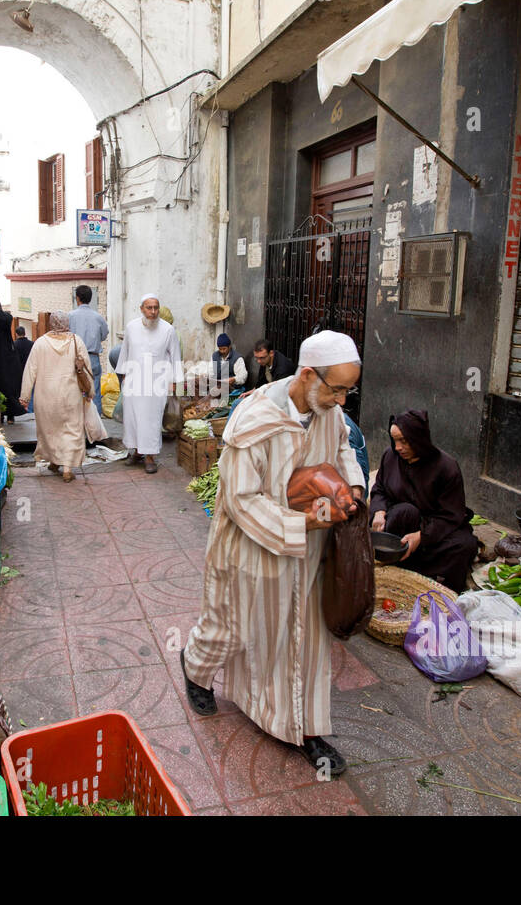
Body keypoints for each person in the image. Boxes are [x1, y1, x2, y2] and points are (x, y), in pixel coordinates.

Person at [182, 330, 365, 777]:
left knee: (303, 637)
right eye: (336, 388)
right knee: (232, 626)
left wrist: (354, 486)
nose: (341, 401)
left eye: (348, 390)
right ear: (307, 375)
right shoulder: (254, 419)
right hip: (250, 544)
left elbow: (343, 449)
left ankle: (304, 728)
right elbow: (243, 500)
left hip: (308, 549)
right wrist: (301, 522)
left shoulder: (329, 412)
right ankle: (195, 668)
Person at [368, 410, 477, 591]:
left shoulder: (446, 467)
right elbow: (379, 489)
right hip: (401, 526)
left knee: (464, 545)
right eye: (394, 440)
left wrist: (421, 536)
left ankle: (427, 581)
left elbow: (451, 515)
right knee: (405, 511)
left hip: (433, 530)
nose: (398, 447)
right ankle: (397, 568)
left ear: (419, 438)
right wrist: (379, 511)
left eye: (404, 441)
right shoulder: (390, 457)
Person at [18, 311, 91, 483]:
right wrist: (90, 392)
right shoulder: (76, 341)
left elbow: (30, 370)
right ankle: (65, 468)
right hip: (70, 395)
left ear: (51, 324)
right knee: (71, 430)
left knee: (50, 431)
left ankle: (55, 462)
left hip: (45, 396)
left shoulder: (40, 343)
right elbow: (87, 369)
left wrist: (25, 396)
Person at [115, 293, 181, 474]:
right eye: (149, 308)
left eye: (156, 308)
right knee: (133, 418)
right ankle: (136, 452)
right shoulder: (131, 327)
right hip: (134, 380)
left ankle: (150, 456)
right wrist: (123, 376)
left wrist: (174, 381)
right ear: (141, 309)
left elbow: (176, 356)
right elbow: (125, 352)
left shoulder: (168, 330)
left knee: (151, 420)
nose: (153, 312)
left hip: (156, 382)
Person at [69, 284, 109, 416]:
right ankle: (96, 426)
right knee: (94, 391)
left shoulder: (70, 316)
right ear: (90, 299)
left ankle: (77, 420)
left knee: (75, 389)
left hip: (75, 358)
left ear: (77, 298)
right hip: (93, 357)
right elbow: (104, 335)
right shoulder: (98, 317)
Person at [210, 333, 247, 401]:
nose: (222, 351)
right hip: (218, 384)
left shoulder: (237, 358)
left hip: (232, 387)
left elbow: (243, 376)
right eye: (220, 349)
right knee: (198, 382)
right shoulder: (215, 356)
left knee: (218, 390)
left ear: (229, 346)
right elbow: (211, 372)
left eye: (224, 349)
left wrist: (233, 379)